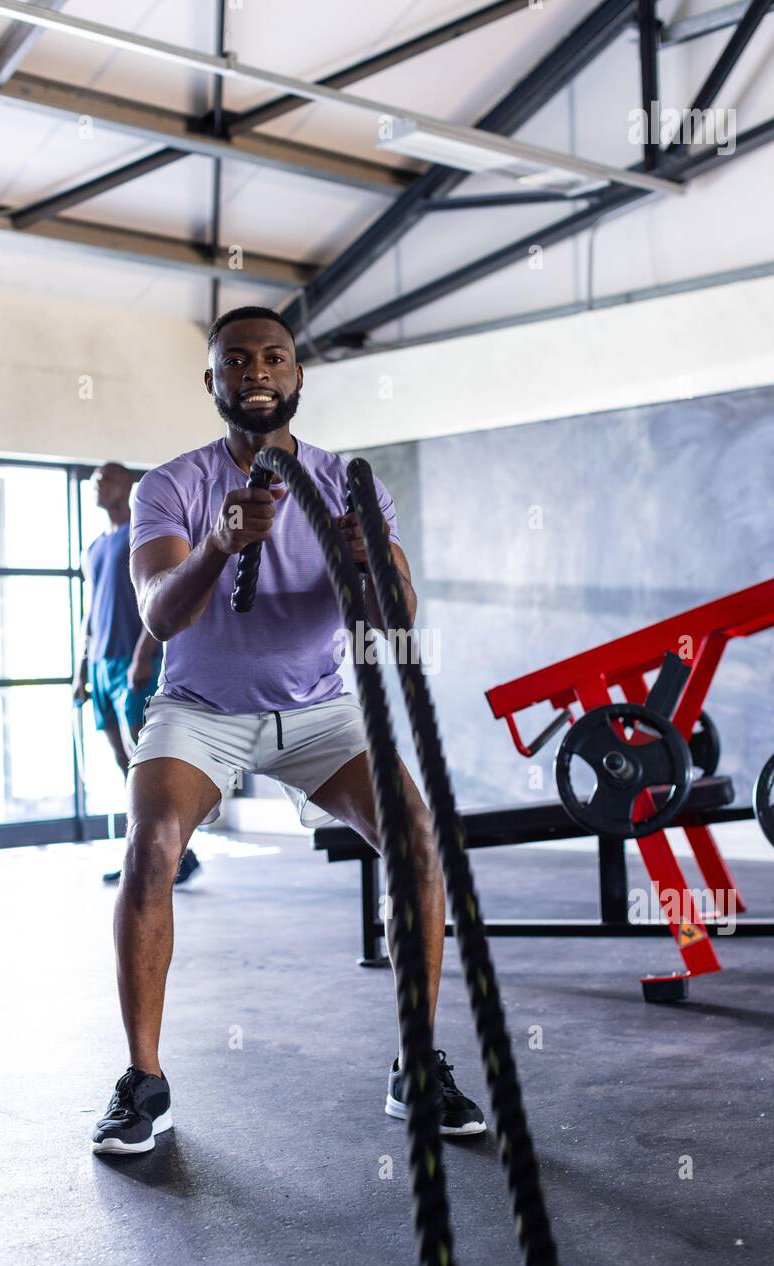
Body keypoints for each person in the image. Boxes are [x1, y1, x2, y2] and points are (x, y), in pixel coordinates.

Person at [91, 306, 485, 1155]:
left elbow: (395, 623)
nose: (257, 372)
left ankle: (416, 1063)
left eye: (274, 357)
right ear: (214, 382)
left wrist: (369, 563)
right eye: (237, 360)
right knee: (152, 846)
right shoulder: (170, 485)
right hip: (199, 709)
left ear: (298, 375)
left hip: (319, 709)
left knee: (417, 838)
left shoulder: (350, 481)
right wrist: (218, 546)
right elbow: (159, 615)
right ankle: (143, 1081)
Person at [72, 462, 201, 886]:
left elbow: (159, 596)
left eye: (107, 479)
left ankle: (175, 854)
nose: (99, 486)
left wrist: (144, 655)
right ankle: (147, 854)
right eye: (94, 481)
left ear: (128, 484)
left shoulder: (142, 535)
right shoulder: (92, 548)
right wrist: (80, 671)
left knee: (148, 762)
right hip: (102, 665)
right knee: (122, 761)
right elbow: (90, 613)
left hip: (137, 662)